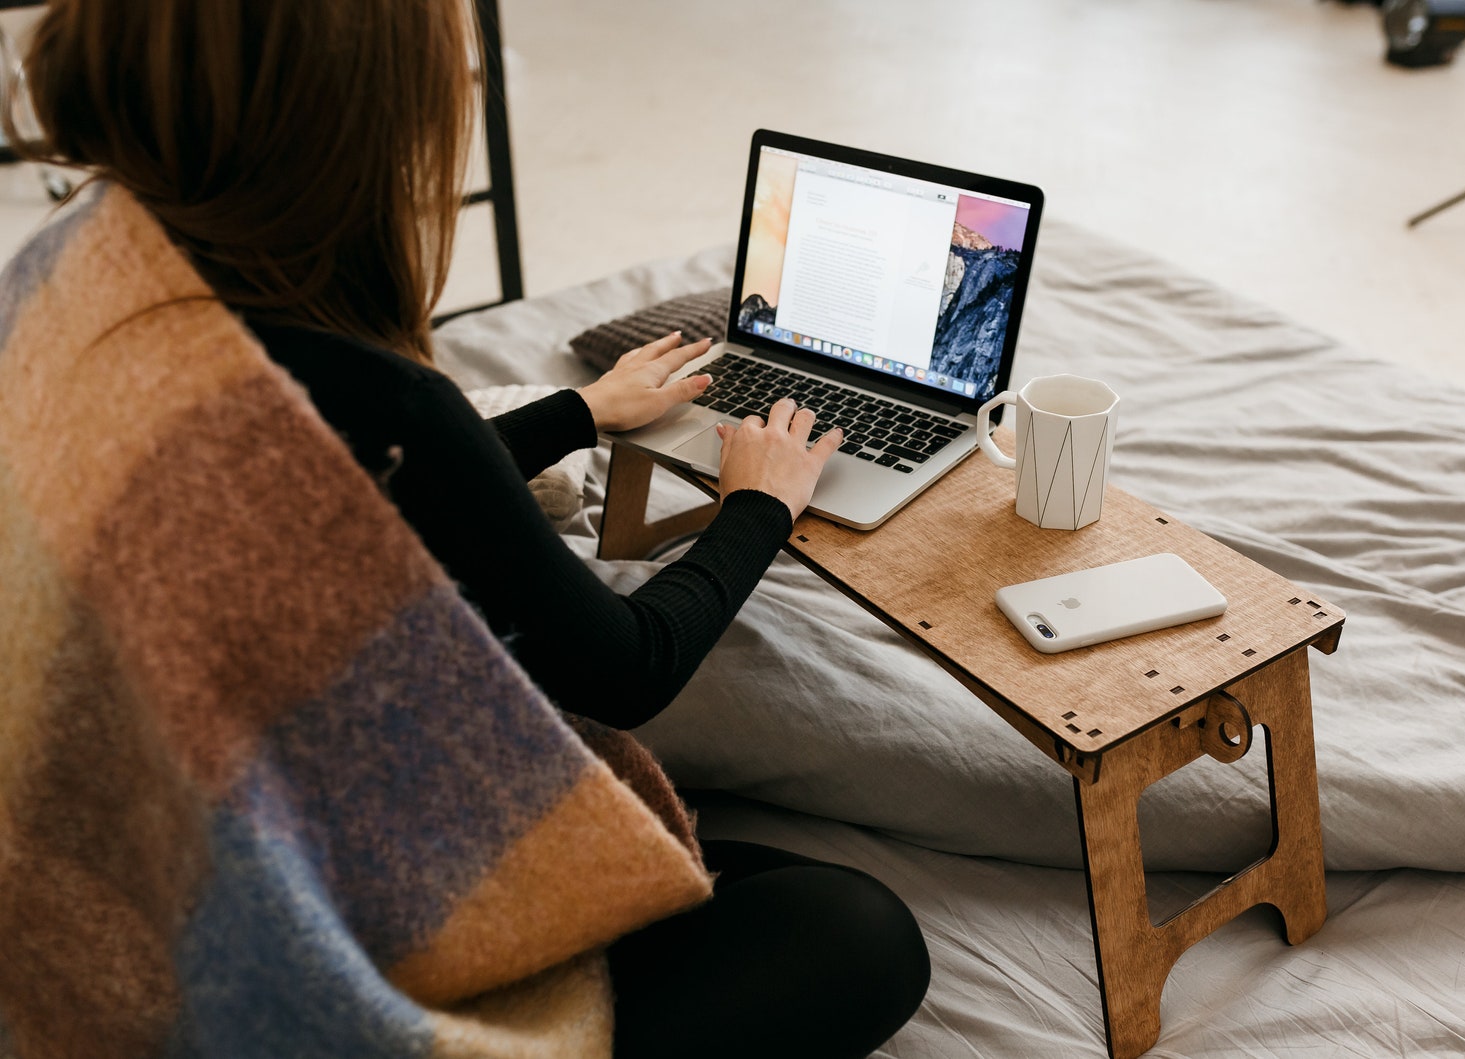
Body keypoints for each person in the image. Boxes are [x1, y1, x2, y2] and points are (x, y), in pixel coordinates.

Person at [9, 1, 929, 1056]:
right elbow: (628, 668)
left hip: (96, 850)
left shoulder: (77, 264)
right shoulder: (374, 395)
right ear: (359, 123)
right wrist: (761, 501)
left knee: (722, 866)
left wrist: (582, 411)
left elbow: (357, 492)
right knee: (854, 929)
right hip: (253, 944)